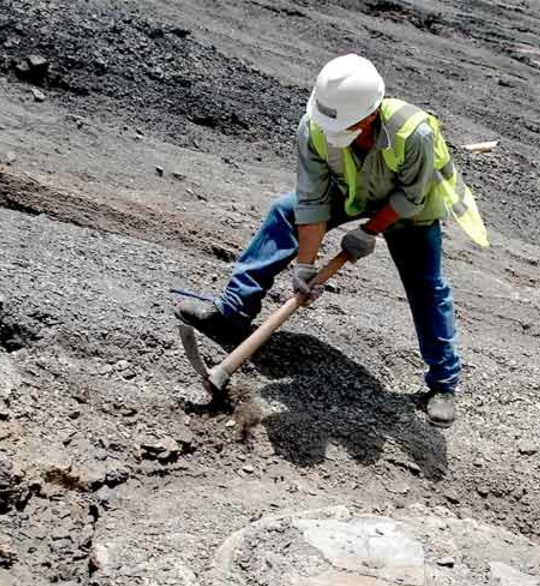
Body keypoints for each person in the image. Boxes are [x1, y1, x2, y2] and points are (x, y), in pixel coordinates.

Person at [175, 53, 487, 428]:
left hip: (409, 209)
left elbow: (412, 196)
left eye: (347, 127)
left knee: (426, 286)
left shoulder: (413, 132)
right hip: (351, 191)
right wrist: (306, 268)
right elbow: (311, 201)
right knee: (283, 213)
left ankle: (443, 383)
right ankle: (234, 312)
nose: (332, 132)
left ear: (371, 114)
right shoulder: (315, 127)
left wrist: (369, 231)